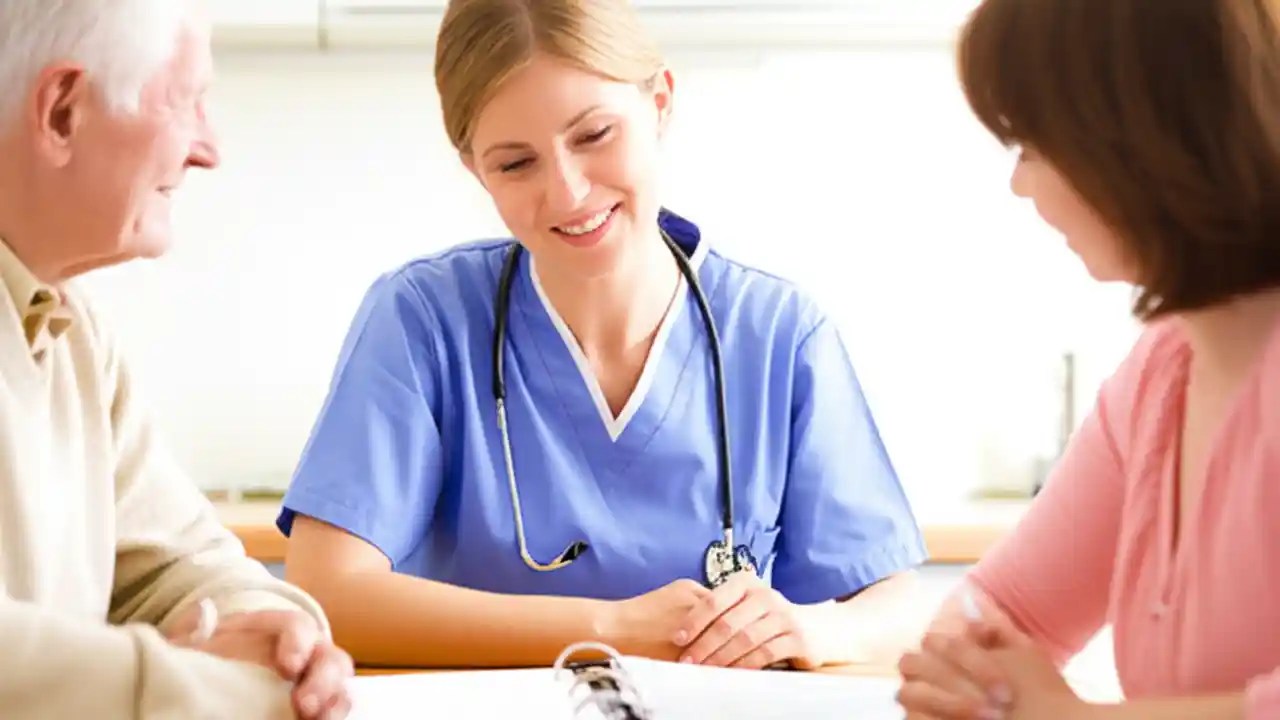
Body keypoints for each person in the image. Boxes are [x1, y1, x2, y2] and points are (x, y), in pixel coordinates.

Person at [278, 0, 928, 671]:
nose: (567, 193)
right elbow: (327, 594)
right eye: (515, 164)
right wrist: (610, 628)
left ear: (661, 103)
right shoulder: (422, 319)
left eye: (593, 136)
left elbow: (897, 604)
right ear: (474, 168)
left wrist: (818, 631)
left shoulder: (778, 335)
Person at [895, 0, 1280, 718]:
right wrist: (973, 685)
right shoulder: (1160, 375)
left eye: (1032, 147)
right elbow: (1004, 612)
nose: (1020, 184)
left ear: (1132, 143)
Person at [0, 1, 354, 717]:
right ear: (63, 113)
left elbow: (181, 563)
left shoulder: (67, 323)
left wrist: (278, 635)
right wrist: (184, 688)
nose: (208, 148)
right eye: (186, 101)